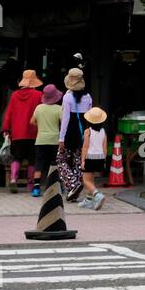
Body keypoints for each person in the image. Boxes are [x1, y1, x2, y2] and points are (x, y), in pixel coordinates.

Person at [2, 70, 44, 193]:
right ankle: (30, 184)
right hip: (33, 133)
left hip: (17, 133)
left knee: (17, 157)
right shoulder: (39, 95)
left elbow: (8, 114)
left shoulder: (14, 95)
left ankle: (13, 179)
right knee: (32, 159)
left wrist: (6, 129)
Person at [57, 67, 92, 201]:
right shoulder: (88, 97)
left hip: (69, 132)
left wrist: (61, 138)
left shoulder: (67, 97)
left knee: (61, 160)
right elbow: (89, 117)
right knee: (78, 160)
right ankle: (74, 190)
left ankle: (73, 185)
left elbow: (65, 119)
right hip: (83, 131)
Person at [31, 85, 64, 198]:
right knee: (55, 163)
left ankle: (36, 188)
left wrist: (40, 126)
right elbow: (63, 123)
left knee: (39, 163)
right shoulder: (59, 109)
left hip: (41, 139)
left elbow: (32, 121)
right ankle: (57, 186)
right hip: (55, 139)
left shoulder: (39, 108)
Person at [79, 106, 109, 210]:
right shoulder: (103, 131)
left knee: (86, 180)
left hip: (90, 158)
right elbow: (104, 147)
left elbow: (85, 146)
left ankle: (97, 195)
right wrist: (104, 159)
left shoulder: (88, 131)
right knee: (91, 179)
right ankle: (88, 200)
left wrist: (82, 160)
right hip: (100, 158)